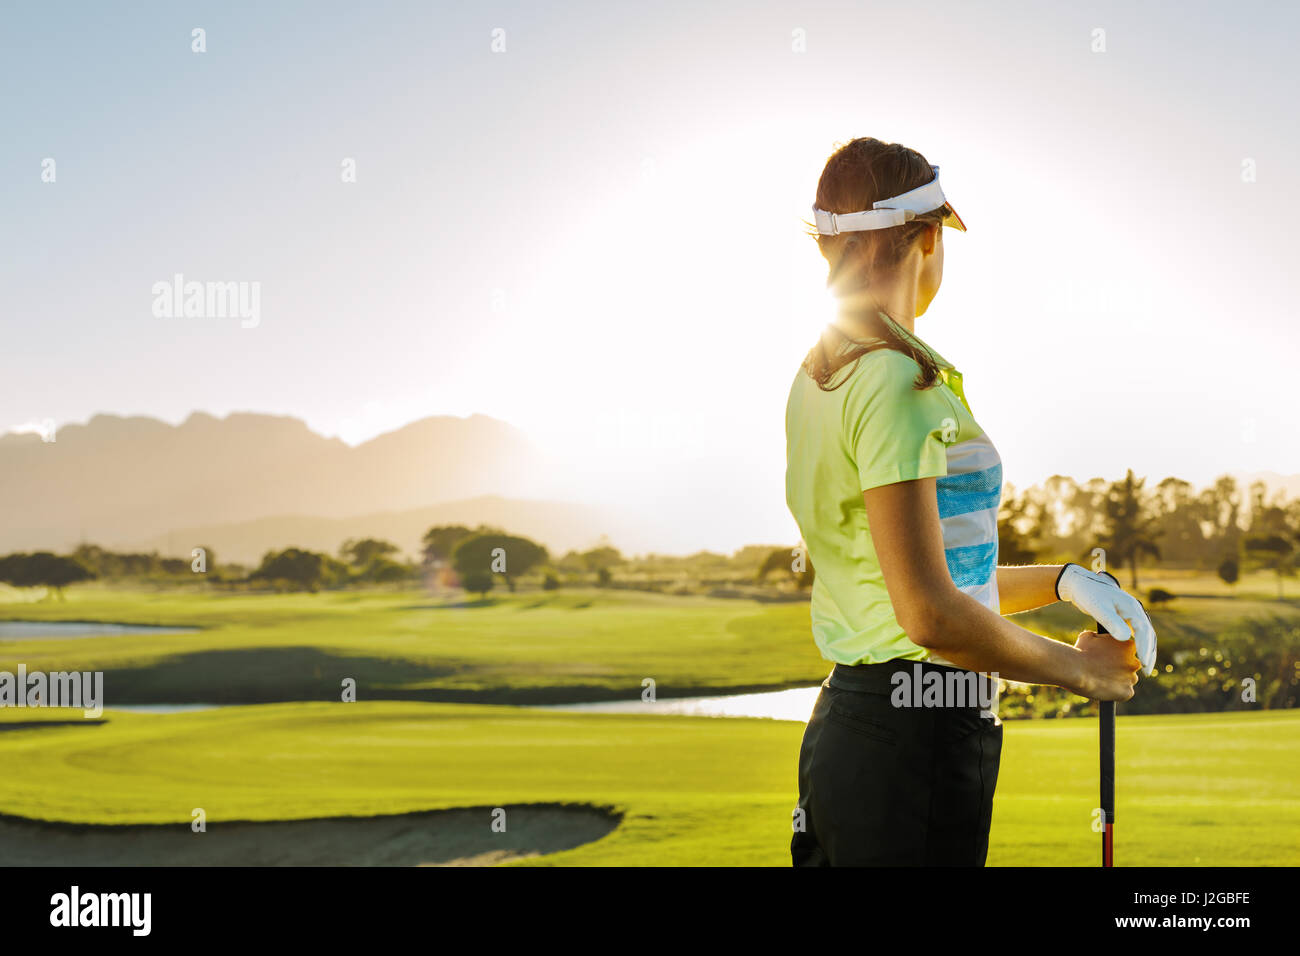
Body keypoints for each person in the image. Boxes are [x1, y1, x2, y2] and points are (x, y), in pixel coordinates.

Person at [784, 136, 1157, 866]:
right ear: (928, 237)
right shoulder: (899, 385)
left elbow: (924, 580)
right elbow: (928, 615)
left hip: (852, 729)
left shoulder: (821, 380)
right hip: (920, 739)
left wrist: (1061, 582)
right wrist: (1081, 671)